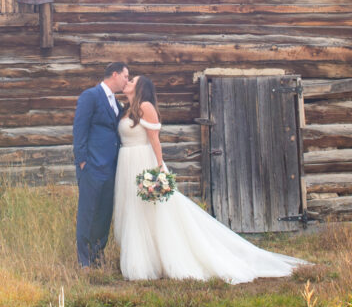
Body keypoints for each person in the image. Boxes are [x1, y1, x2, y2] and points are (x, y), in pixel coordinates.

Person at [112, 75, 306, 284]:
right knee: (134, 210)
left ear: (141, 87)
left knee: (150, 212)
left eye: (133, 81)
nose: (128, 82)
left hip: (143, 162)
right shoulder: (125, 109)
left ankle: (147, 264)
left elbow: (155, 141)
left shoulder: (145, 106)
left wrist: (160, 170)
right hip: (126, 164)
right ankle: (144, 259)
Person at [72, 62, 130, 268]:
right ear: (114, 74)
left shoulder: (116, 102)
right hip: (92, 166)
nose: (127, 81)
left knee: (104, 213)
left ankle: (98, 256)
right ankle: (84, 262)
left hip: (111, 167)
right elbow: (80, 129)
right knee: (88, 212)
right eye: (125, 76)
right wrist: (82, 162)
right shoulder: (91, 96)